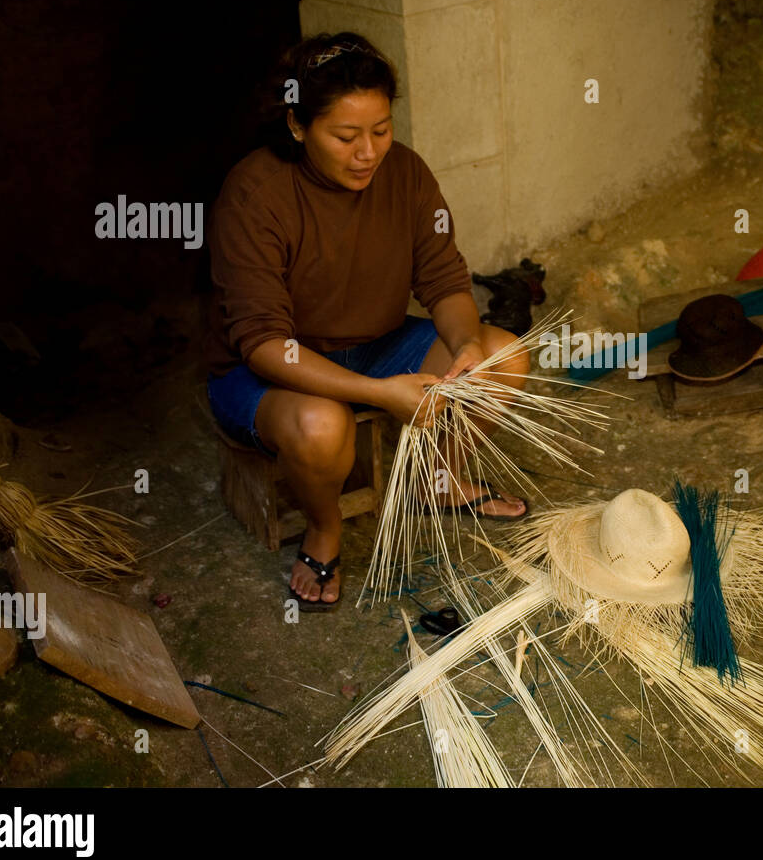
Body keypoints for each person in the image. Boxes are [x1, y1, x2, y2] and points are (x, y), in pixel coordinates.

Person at [206, 32, 529, 610]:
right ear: (298, 126)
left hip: (377, 344)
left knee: (502, 360)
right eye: (345, 136)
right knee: (322, 428)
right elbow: (262, 343)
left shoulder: (405, 173)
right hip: (268, 370)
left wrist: (465, 345)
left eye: (381, 131)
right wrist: (379, 393)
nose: (368, 153)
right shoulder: (255, 193)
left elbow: (445, 280)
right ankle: (324, 528)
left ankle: (440, 481)